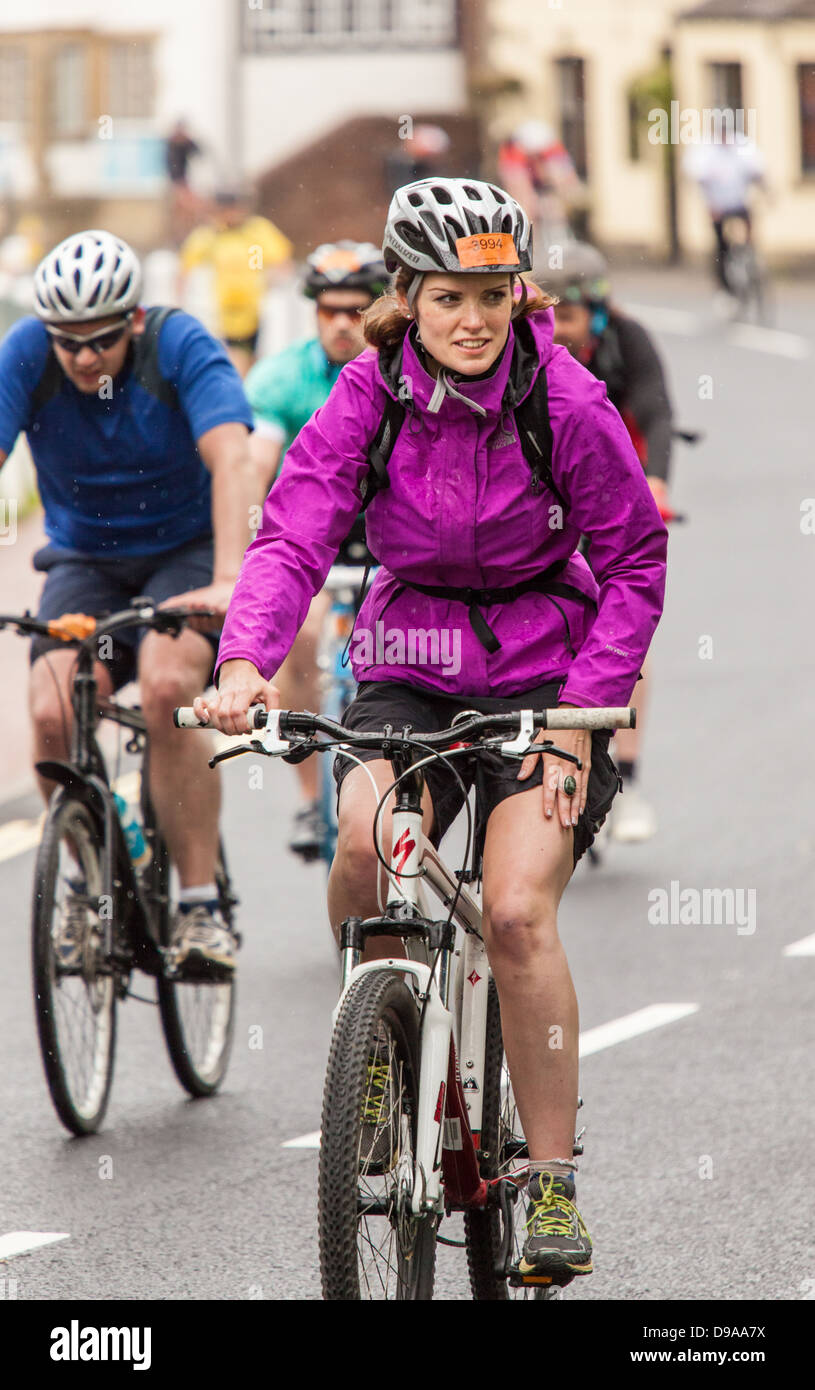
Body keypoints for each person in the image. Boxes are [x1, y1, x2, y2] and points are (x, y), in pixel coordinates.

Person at [194, 177, 667, 1282]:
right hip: (408, 662)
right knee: (361, 843)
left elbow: (635, 558)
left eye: (493, 297)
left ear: (517, 295)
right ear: (407, 296)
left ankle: (547, 1181)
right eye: (450, 296)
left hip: (548, 676)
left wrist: (583, 720)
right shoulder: (365, 396)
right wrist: (246, 660)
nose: (472, 319)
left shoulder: (565, 396)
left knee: (510, 911)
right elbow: (292, 538)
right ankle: (377, 1037)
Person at [0, 229, 255, 973]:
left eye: (100, 341)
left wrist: (232, 576)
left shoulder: (178, 345)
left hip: (188, 551)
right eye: (67, 343)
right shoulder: (26, 352)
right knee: (52, 708)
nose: (82, 359)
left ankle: (201, 906)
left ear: (134, 321)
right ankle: (83, 889)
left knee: (168, 686)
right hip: (86, 557)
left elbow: (233, 454)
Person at [245, 240, 390, 858]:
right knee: (299, 640)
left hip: (387, 548)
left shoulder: (399, 372)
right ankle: (310, 798)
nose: (339, 323)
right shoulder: (281, 377)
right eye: (327, 309)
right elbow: (256, 461)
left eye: (355, 310)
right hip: (318, 546)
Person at [545, 241, 675, 842]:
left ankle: (630, 779)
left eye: (568, 317)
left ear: (597, 316)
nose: (556, 331)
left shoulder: (629, 342)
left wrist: (658, 482)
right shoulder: (528, 359)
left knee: (628, 627)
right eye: (546, 317)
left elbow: (656, 408)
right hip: (550, 503)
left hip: (615, 497)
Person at [179, 188, 293, 377]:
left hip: (255, 309)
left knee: (253, 358)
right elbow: (187, 263)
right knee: (235, 357)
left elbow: (281, 257)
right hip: (224, 312)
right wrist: (183, 297)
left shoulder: (257, 231)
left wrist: (277, 280)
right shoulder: (211, 235)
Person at [683, 127, 766, 298]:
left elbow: (757, 170)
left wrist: (767, 190)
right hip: (718, 206)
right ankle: (724, 288)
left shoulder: (742, 146)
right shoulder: (705, 150)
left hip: (738, 203)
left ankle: (749, 258)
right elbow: (697, 175)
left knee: (749, 229)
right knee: (722, 247)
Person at [497, 120, 582, 259]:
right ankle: (528, 252)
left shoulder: (552, 149)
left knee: (554, 209)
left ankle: (561, 251)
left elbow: (569, 182)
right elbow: (520, 190)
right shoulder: (512, 153)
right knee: (527, 211)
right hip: (525, 184)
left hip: (543, 186)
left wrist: (563, 201)